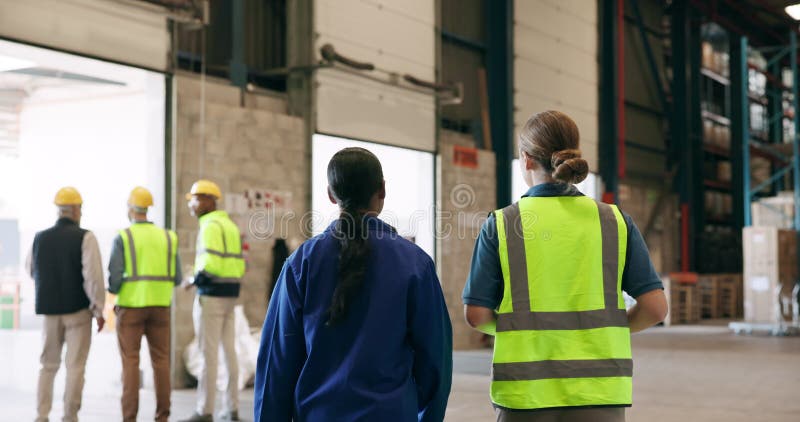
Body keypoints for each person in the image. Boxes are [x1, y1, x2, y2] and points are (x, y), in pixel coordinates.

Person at [463, 111, 668, 422]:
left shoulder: (503, 224)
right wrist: (606, 328)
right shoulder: (614, 221)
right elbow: (655, 309)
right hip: (600, 393)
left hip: (525, 395)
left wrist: (517, 327)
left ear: (526, 159)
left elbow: (476, 315)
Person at [254, 147, 452, 421]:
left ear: (331, 194)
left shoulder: (302, 264)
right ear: (382, 190)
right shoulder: (415, 264)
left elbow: (277, 362)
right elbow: (435, 362)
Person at [30, 186, 106, 422]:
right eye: (80, 208)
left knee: (48, 365)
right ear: (75, 210)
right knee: (75, 366)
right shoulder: (86, 237)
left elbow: (32, 270)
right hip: (78, 312)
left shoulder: (40, 237)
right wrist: (98, 308)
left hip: (49, 312)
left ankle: (41, 416)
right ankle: (69, 416)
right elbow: (92, 277)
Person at [108, 187, 180, 422]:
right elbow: (177, 278)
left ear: (130, 208)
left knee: (130, 361)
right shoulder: (168, 237)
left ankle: (129, 417)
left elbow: (115, 280)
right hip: (161, 306)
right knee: (161, 362)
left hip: (131, 307)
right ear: (148, 209)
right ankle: (163, 416)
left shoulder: (124, 236)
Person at [180, 180, 246, 422]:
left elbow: (210, 263)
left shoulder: (209, 225)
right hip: (230, 295)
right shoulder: (229, 224)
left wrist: (193, 280)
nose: (192, 205)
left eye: (195, 199)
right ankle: (232, 409)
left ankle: (204, 411)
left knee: (207, 354)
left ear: (209, 200)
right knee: (230, 353)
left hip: (211, 295)